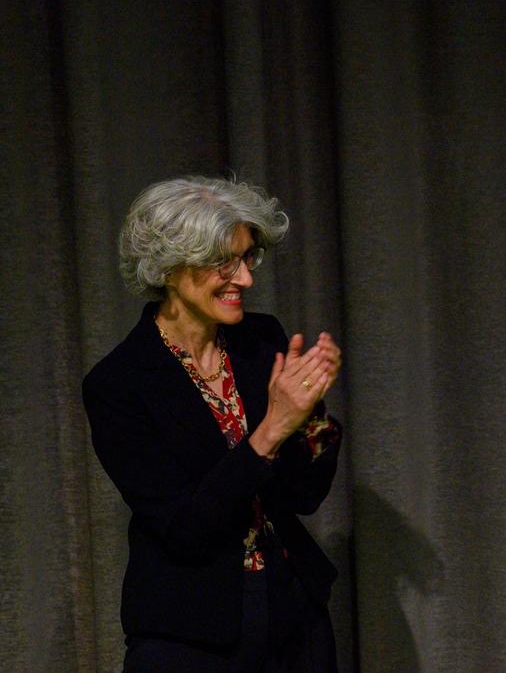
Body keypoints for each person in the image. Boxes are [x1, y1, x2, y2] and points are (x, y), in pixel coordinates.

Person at [83, 176, 343, 671]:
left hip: (292, 610)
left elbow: (303, 496)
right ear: (171, 268)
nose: (244, 279)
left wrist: (310, 419)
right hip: (190, 633)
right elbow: (184, 527)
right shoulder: (120, 383)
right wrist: (271, 429)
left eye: (247, 259)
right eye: (224, 262)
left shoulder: (260, 340)